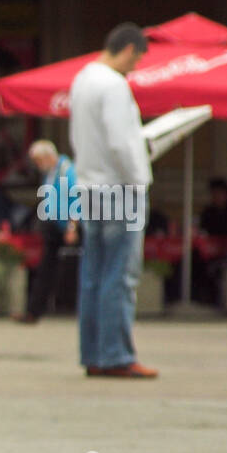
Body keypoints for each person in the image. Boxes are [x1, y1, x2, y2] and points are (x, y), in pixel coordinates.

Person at [69, 22, 157, 379]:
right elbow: (121, 142)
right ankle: (117, 355)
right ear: (128, 49)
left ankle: (93, 353)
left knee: (93, 274)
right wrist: (139, 180)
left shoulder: (81, 80)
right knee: (119, 275)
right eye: (136, 59)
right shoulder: (114, 85)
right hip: (119, 188)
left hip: (89, 186)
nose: (134, 67)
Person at [16, 140, 80, 324]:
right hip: (54, 224)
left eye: (38, 160)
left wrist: (72, 227)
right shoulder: (50, 173)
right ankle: (33, 311)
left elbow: (77, 199)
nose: (37, 165)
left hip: (69, 225)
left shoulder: (67, 170)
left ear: (48, 156)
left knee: (78, 265)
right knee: (45, 268)